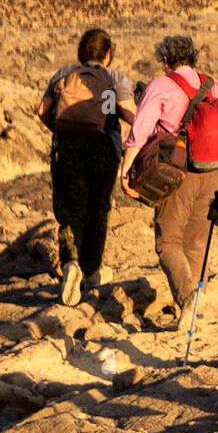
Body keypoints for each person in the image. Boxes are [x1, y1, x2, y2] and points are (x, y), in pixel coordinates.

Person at [121, 35, 218, 331]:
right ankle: (193, 312)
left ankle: (189, 300)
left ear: (166, 61)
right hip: (214, 169)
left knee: (167, 242)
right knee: (196, 242)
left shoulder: (161, 86)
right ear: (193, 58)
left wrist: (126, 171)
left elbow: (140, 131)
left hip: (176, 171)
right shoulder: (214, 86)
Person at [37, 28, 136, 306]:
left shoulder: (63, 75)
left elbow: (42, 110)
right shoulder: (115, 78)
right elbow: (131, 115)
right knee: (99, 210)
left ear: (81, 53)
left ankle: (70, 264)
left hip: (67, 151)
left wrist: (59, 130)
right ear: (108, 54)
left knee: (70, 211)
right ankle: (91, 271)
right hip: (104, 151)